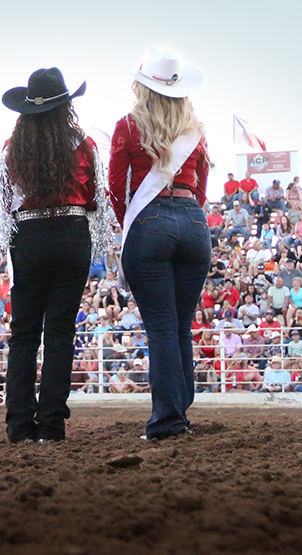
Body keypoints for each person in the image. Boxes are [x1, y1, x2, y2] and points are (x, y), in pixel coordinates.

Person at [0, 67, 112, 442]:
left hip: (28, 235)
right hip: (72, 233)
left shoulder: (13, 148)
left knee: (24, 334)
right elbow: (96, 198)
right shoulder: (85, 145)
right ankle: (53, 425)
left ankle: (19, 426)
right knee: (60, 331)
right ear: (66, 106)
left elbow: (2, 203)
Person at [108, 47, 209, 440]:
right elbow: (201, 185)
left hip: (150, 223)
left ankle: (168, 420)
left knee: (163, 328)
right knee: (181, 327)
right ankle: (180, 409)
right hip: (193, 223)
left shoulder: (128, 126)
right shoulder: (197, 130)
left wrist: (131, 226)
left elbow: (117, 188)